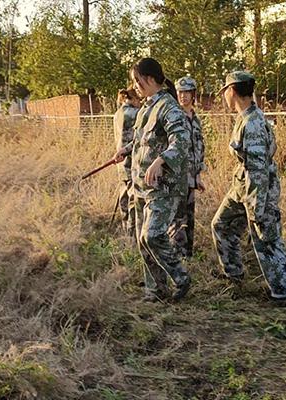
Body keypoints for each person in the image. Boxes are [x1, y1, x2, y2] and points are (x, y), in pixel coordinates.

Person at [211, 71, 286, 307]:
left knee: (267, 237)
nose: (224, 97)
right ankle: (234, 274)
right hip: (242, 188)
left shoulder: (252, 124)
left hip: (257, 190)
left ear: (232, 91)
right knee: (221, 225)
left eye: (225, 92)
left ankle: (285, 295)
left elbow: (258, 170)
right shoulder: (245, 117)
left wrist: (258, 206)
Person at [110, 58, 192, 302]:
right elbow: (142, 140)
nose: (135, 85)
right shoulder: (146, 108)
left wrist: (161, 161)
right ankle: (155, 290)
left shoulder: (170, 107)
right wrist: (125, 149)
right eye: (134, 81)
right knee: (141, 241)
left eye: (138, 80)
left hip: (163, 187)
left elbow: (182, 142)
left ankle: (181, 278)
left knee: (152, 235)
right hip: (140, 186)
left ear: (152, 78)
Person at [168, 77, 206, 258]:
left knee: (189, 218)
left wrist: (198, 175)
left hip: (191, 177)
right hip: (176, 176)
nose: (183, 96)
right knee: (177, 219)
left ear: (193, 94)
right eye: (180, 92)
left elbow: (199, 148)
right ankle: (177, 258)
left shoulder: (195, 119)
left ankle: (188, 255)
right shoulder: (174, 117)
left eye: (187, 92)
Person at [113, 86, 141, 239]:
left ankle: (125, 232)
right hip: (132, 163)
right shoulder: (134, 114)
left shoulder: (117, 113)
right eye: (140, 100)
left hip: (121, 164)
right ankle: (132, 235)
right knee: (133, 200)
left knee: (123, 197)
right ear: (134, 99)